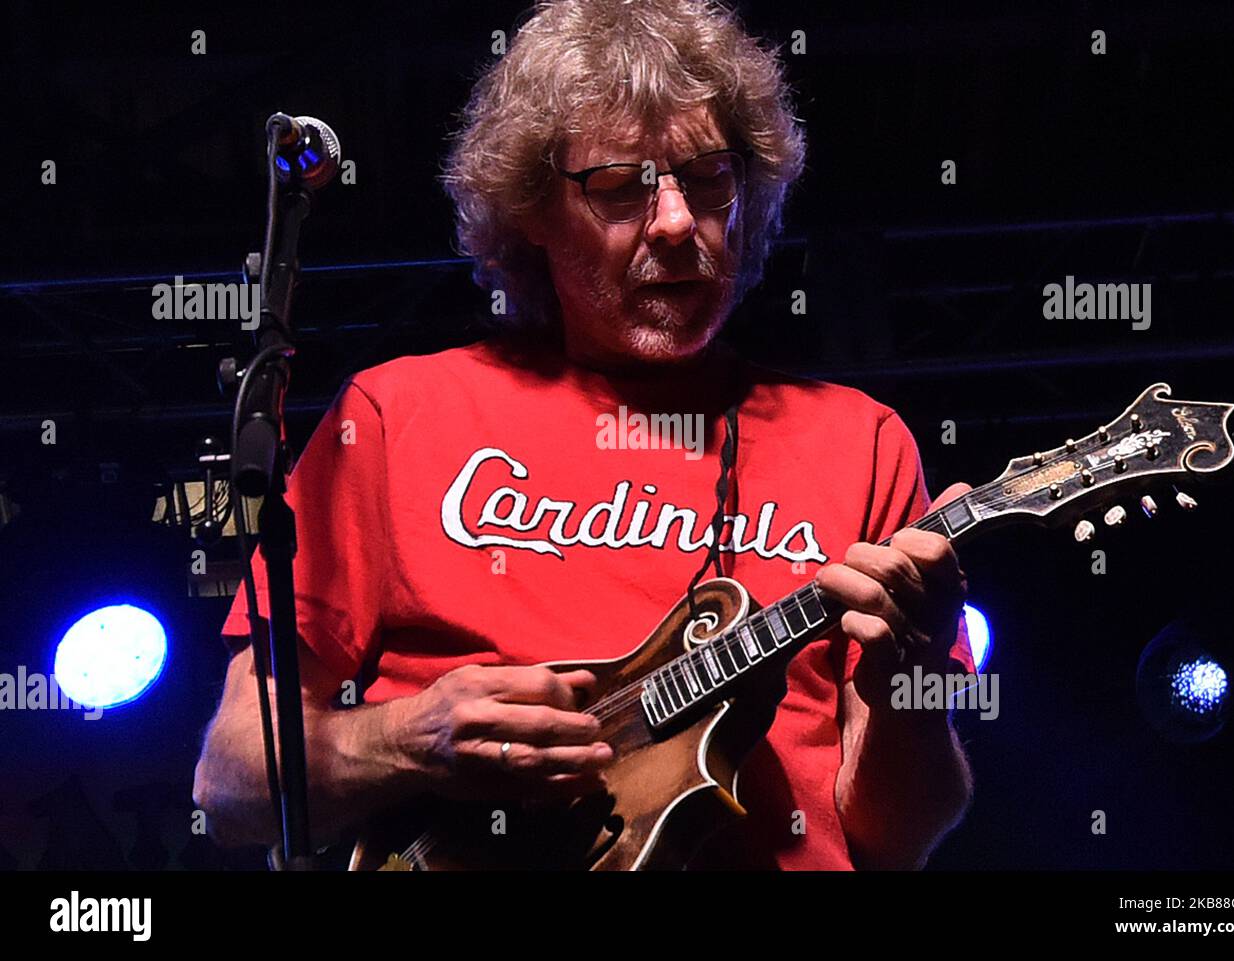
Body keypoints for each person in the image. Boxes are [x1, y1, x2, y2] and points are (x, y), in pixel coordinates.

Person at [193, 0, 974, 870]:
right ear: (529, 209)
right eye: (619, 185)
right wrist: (409, 737)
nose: (677, 222)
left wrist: (911, 670)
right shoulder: (394, 416)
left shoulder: (860, 440)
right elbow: (231, 785)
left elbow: (900, 839)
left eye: (709, 176)